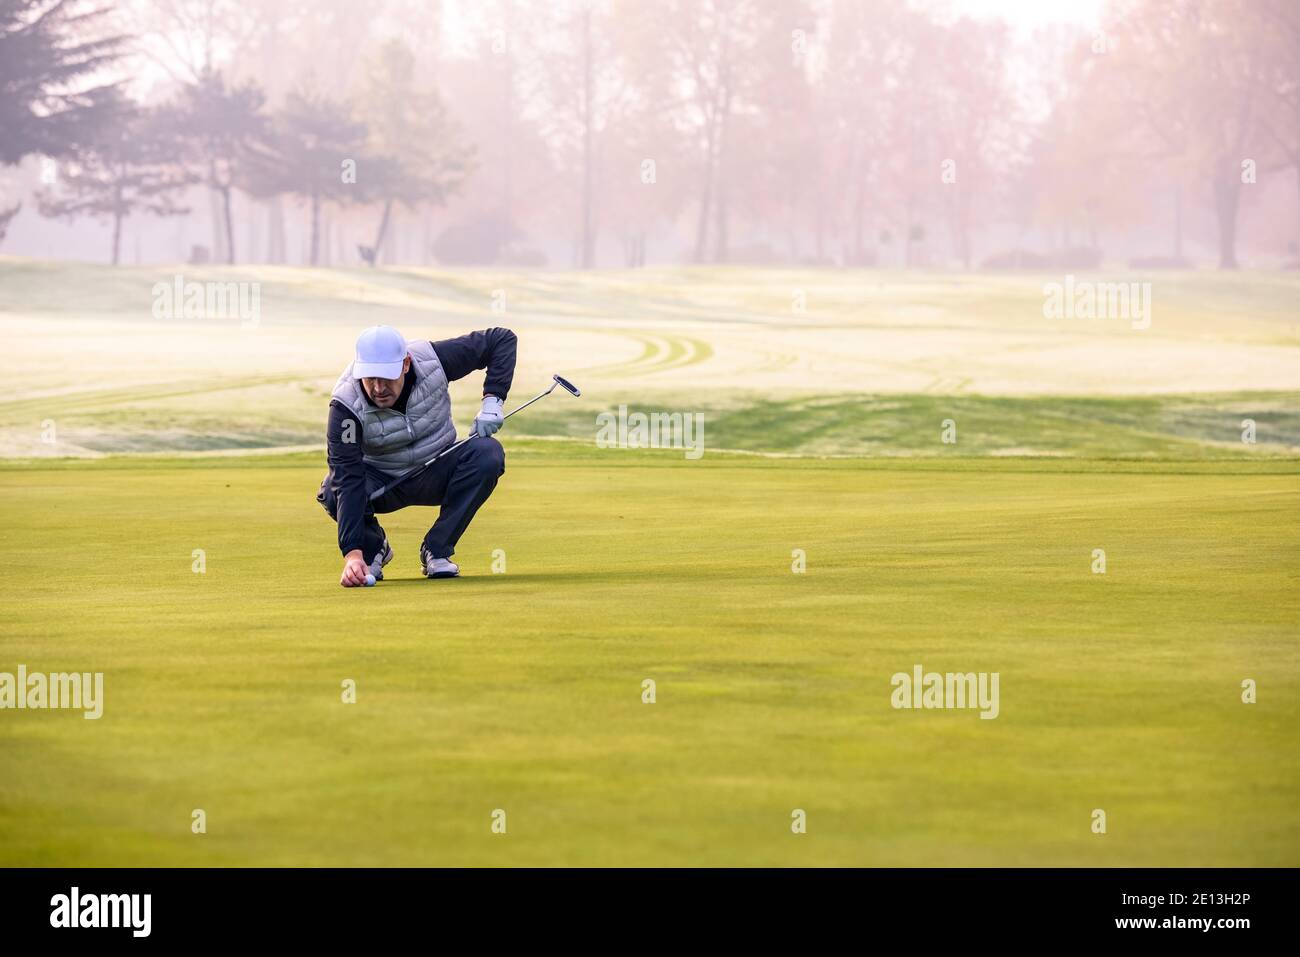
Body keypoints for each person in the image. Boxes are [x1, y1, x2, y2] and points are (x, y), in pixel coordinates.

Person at [317, 324, 516, 586]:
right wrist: (352, 554)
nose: (378, 388)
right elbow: (347, 477)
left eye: (387, 377)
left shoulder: (433, 361)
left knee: (487, 454)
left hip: (437, 468)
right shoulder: (345, 406)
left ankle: (437, 549)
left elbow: (501, 340)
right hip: (382, 482)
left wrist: (493, 400)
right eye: (370, 378)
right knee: (333, 491)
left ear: (406, 364)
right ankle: (373, 549)